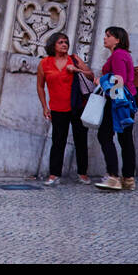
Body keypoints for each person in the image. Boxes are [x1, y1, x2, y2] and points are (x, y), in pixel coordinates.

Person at [36, 32, 93, 186]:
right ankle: (54, 175)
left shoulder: (73, 59)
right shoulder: (45, 63)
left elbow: (91, 75)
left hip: (77, 106)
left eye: (66, 42)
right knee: (58, 141)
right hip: (57, 108)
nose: (64, 44)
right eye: (60, 42)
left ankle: (83, 173)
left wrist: (77, 70)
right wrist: (44, 106)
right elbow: (40, 86)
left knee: (80, 140)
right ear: (53, 45)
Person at [94, 26, 138, 191]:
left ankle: (113, 177)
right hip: (127, 100)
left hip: (118, 101)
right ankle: (128, 178)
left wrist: (102, 81)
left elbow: (119, 80)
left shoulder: (118, 55)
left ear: (117, 39)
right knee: (125, 139)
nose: (104, 38)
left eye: (108, 35)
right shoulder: (124, 54)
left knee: (104, 135)